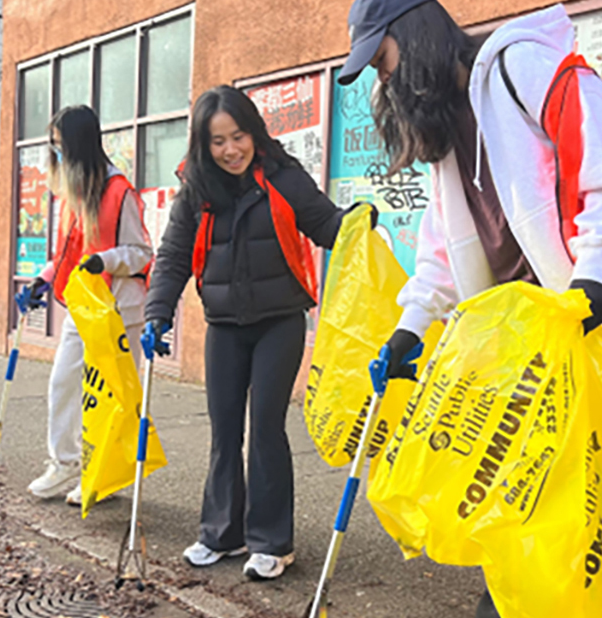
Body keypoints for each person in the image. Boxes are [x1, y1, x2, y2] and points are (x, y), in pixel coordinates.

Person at [339, 1, 602, 615]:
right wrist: (412, 326)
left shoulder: (525, 67)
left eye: (383, 63)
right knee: (520, 479)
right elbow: (441, 246)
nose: (385, 83)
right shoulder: (442, 130)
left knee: (596, 486)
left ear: (415, 37)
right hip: (528, 326)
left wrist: (594, 273)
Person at [140, 85, 373, 581]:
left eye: (238, 136)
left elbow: (327, 224)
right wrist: (157, 312)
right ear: (204, 146)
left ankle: (272, 542)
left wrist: (357, 224)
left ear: (254, 133)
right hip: (224, 326)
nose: (230, 150)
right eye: (217, 141)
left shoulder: (284, 179)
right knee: (225, 431)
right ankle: (222, 533)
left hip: (279, 322)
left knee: (265, 428)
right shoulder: (197, 188)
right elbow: (174, 254)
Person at [26, 105, 153, 506]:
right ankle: (64, 462)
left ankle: (103, 473)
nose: (56, 154)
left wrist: (108, 260)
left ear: (79, 146)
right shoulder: (74, 193)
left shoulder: (120, 191)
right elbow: (70, 250)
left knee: (111, 396)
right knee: (64, 383)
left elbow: (142, 252)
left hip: (119, 309)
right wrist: (44, 279)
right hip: (84, 306)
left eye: (61, 146)